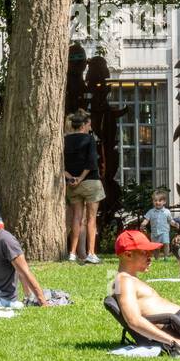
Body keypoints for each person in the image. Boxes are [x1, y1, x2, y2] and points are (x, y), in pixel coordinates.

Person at [64, 109, 105, 264]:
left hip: (72, 183)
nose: (89, 127)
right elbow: (91, 162)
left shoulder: (65, 140)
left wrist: (71, 178)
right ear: (83, 125)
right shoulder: (89, 139)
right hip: (90, 182)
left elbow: (60, 164)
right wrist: (81, 178)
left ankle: (72, 253)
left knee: (76, 218)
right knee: (91, 219)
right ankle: (91, 253)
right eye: (88, 124)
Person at [140, 190, 180, 257]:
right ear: (153, 201)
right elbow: (146, 219)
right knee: (156, 247)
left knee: (166, 243)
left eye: (159, 201)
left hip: (164, 232)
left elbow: (170, 221)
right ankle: (156, 258)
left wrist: (175, 224)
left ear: (164, 202)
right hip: (154, 233)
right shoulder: (151, 212)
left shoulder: (167, 212)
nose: (157, 202)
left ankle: (166, 257)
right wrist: (143, 224)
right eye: (155, 200)